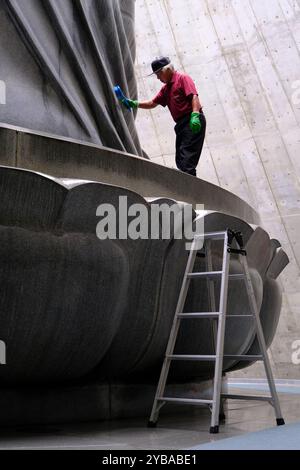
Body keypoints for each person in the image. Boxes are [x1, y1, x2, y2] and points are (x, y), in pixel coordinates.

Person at [122, 56, 206, 177]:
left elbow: (194, 96)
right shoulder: (166, 89)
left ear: (166, 70)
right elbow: (152, 103)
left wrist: (195, 115)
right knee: (181, 160)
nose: (157, 78)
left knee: (187, 159)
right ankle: (187, 185)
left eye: (158, 74)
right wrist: (134, 103)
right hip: (181, 125)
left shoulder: (182, 78)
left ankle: (189, 190)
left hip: (193, 121)